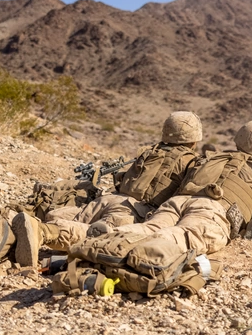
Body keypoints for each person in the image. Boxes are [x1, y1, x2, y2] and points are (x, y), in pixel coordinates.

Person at [12, 111, 203, 268]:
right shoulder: (192, 162)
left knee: (60, 216)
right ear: (194, 139)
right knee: (94, 236)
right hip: (132, 210)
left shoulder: (149, 151)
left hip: (107, 200)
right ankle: (43, 233)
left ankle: (23, 229)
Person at [109, 120, 252, 256]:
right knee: (183, 238)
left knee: (150, 228)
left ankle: (106, 236)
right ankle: (124, 254)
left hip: (178, 202)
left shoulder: (212, 157)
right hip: (210, 211)